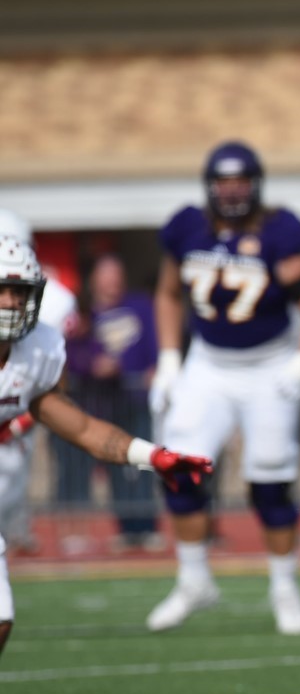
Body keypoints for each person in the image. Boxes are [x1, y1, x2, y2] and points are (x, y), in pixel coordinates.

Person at [145, 141, 300, 635]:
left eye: (240, 181)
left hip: (268, 365)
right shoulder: (187, 227)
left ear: (256, 185)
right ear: (209, 185)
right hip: (208, 364)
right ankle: (194, 581)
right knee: (179, 468)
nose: (231, 191)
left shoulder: (279, 232)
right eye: (222, 181)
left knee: (269, 482)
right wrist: (167, 360)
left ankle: (284, 589)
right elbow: (166, 293)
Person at [0, 236, 210, 658]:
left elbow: (81, 428)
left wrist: (153, 457)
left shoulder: (37, 350)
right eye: (0, 291)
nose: (9, 302)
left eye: (18, 291)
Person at [65, 253, 163, 551]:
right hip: (103, 404)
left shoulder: (139, 306)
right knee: (116, 463)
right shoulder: (85, 314)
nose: (112, 282)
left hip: (136, 399)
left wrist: (154, 368)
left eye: (116, 275)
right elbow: (71, 353)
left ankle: (146, 527)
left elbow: (155, 343)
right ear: (96, 279)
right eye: (106, 276)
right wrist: (94, 364)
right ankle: (125, 526)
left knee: (143, 461)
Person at [0, 208, 82, 554]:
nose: (11, 301)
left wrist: (16, 424)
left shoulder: (50, 306)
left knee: (12, 488)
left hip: (17, 404)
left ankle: (16, 530)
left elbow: (55, 384)